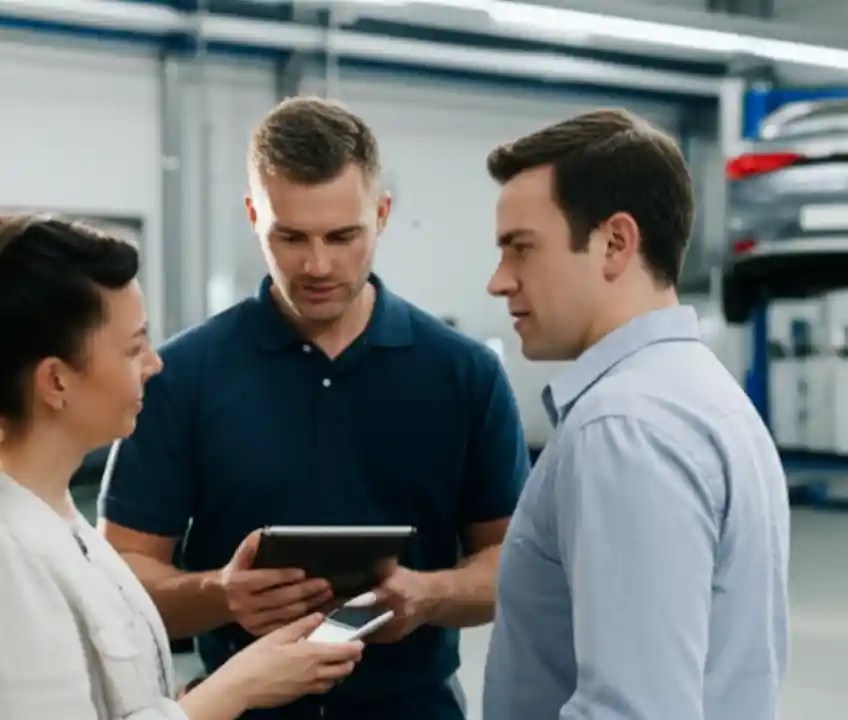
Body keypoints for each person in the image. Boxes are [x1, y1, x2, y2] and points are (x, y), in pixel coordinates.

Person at [97, 96, 530, 720]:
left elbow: (512, 561)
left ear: (382, 214)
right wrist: (222, 594)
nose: (318, 265)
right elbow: (121, 576)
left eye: (343, 236)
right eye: (291, 236)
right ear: (254, 215)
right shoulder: (180, 376)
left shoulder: (465, 375)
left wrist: (428, 595)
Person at [481, 108, 791, 720]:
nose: (499, 281)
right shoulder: (705, 395)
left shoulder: (623, 427)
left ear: (615, 244)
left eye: (521, 249)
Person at [0, 214, 365, 719]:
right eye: (133, 349)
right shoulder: (11, 554)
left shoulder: (59, 520)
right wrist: (235, 688)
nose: (154, 364)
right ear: (56, 381)